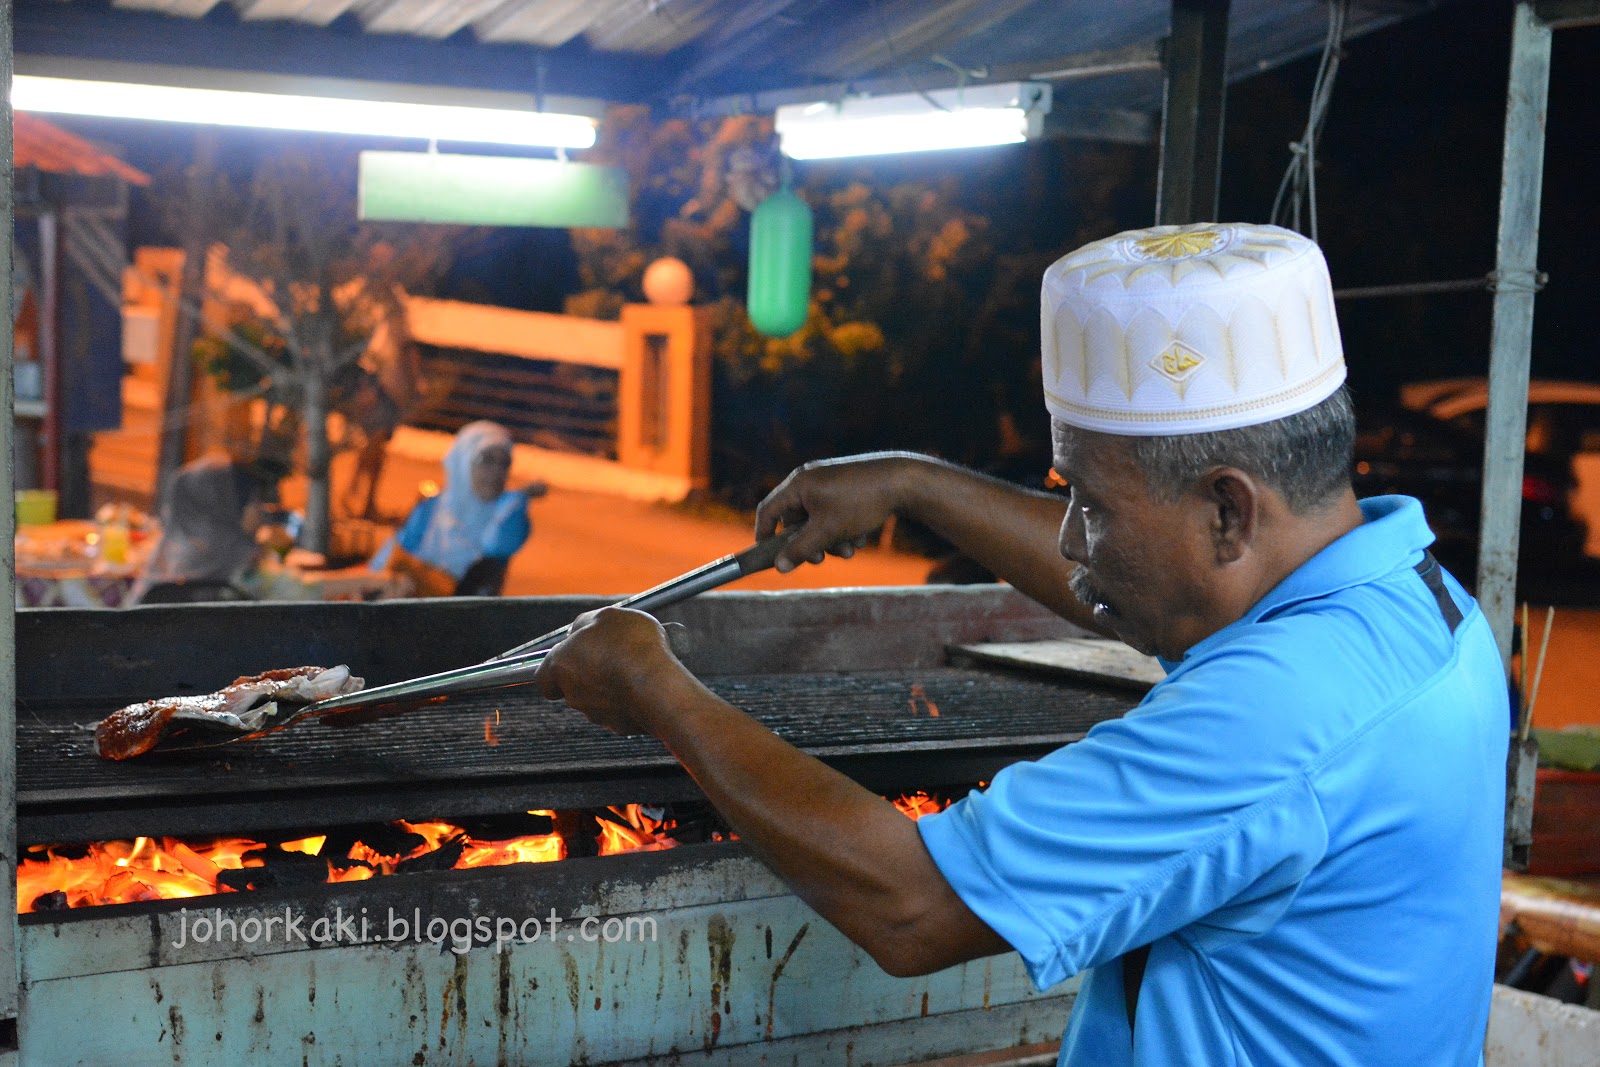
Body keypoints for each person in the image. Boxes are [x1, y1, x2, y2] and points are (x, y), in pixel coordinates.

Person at [534, 223, 1507, 1065]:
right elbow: (1129, 595)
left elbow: (910, 904)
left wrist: (655, 685)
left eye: (1092, 498)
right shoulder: (1412, 600)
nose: (1074, 538)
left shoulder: (1278, 708)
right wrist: (913, 482)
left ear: (1225, 509)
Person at [370, 421, 544, 597]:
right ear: (463, 460)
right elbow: (395, 552)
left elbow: (499, 544)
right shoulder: (433, 506)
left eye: (504, 463)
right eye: (486, 460)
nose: (496, 471)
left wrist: (518, 499)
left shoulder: (504, 514)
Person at [132, 453, 280, 604]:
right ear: (228, 504)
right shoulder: (241, 558)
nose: (261, 512)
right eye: (254, 500)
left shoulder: (168, 552)